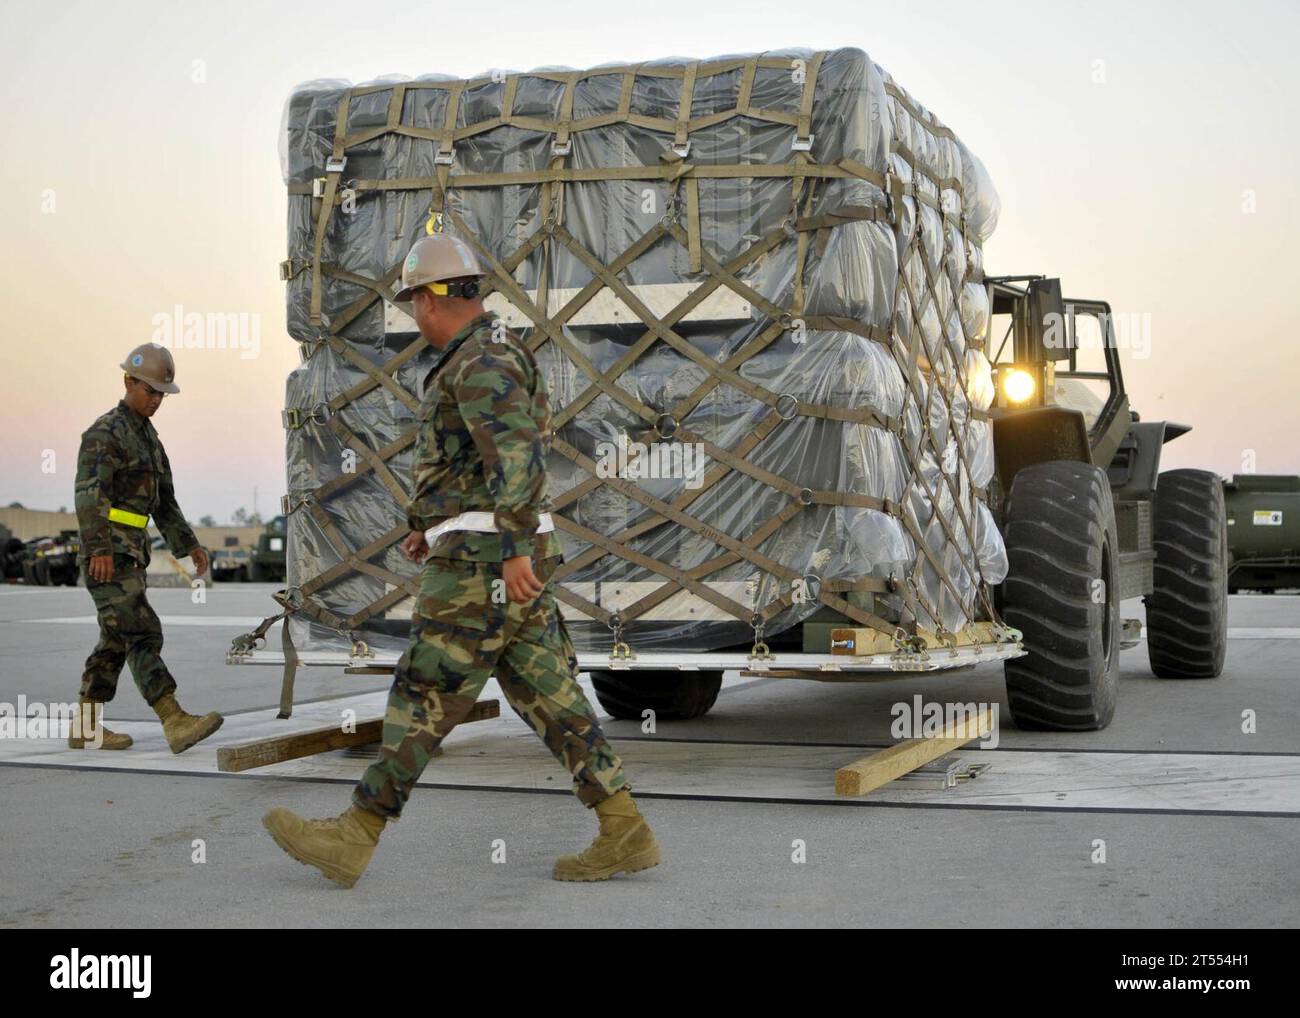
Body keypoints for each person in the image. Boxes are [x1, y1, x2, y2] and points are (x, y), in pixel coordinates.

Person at [263, 233, 660, 887]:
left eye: (416, 297)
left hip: (484, 562)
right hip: (485, 547)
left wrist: (507, 548)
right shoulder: (487, 355)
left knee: (424, 691)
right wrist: (430, 526)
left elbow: (518, 454)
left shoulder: (481, 362)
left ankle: (355, 834)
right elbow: (478, 463)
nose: (414, 312)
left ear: (435, 297)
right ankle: (624, 829)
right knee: (551, 695)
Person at [70, 343, 224, 753]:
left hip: (130, 552)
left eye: (160, 394)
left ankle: (85, 727)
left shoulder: (149, 439)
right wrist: (98, 549)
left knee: (115, 640)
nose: (156, 400)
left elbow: (164, 502)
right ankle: (173, 718)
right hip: (107, 555)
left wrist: (188, 545)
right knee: (141, 630)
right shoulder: (105, 433)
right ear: (128, 383)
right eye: (149, 391)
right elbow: (89, 497)